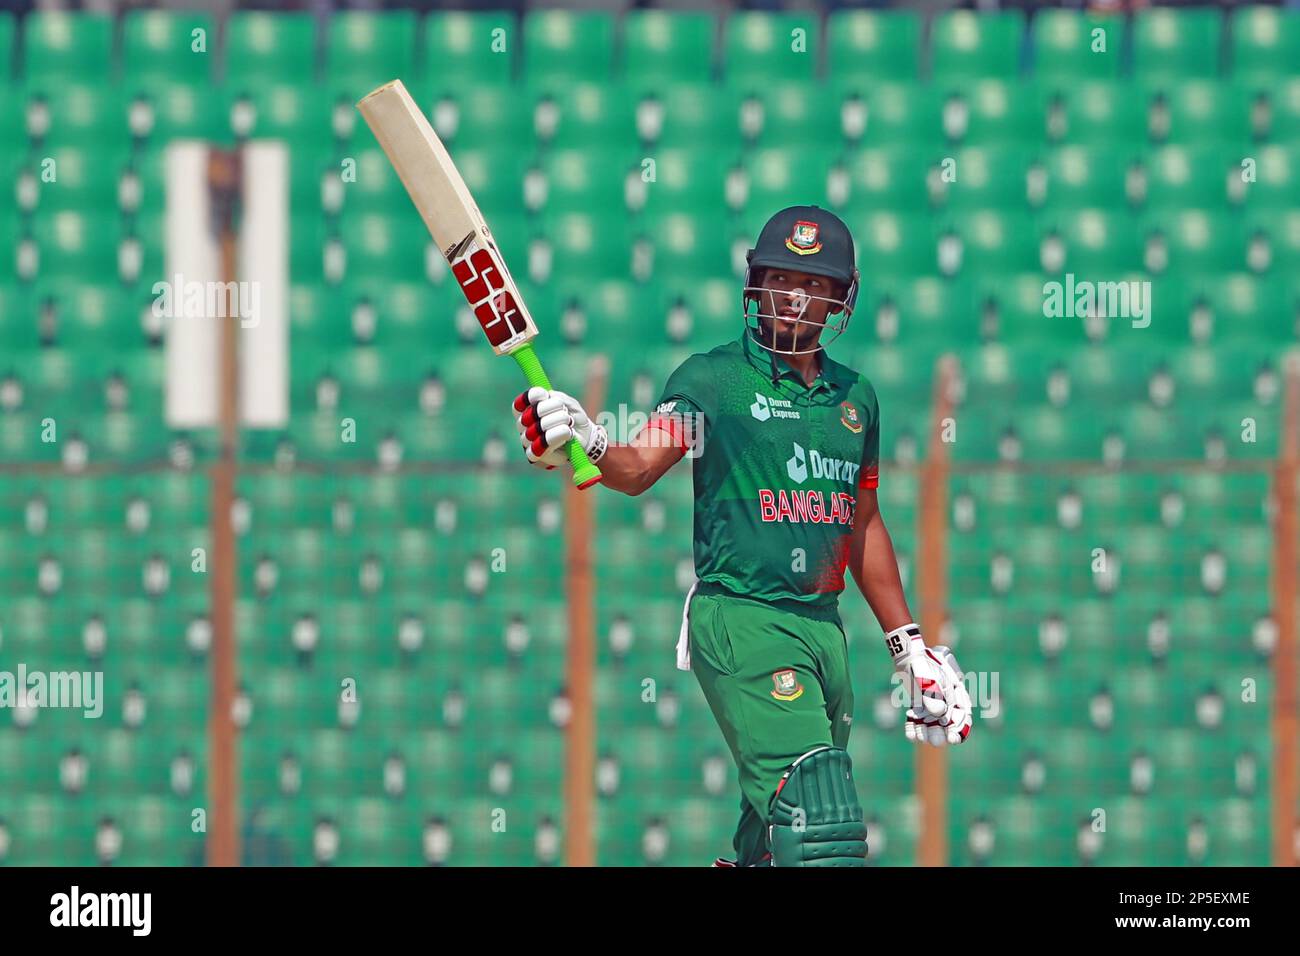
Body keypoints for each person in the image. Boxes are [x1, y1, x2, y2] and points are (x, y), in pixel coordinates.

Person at [513, 205, 973, 866]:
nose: (793, 297)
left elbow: (862, 523)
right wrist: (587, 439)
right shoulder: (715, 379)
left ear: (840, 297)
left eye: (812, 284)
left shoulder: (856, 398)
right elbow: (639, 465)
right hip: (742, 618)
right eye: (780, 278)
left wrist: (910, 648)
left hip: (823, 630)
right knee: (821, 825)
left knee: (775, 843)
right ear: (756, 284)